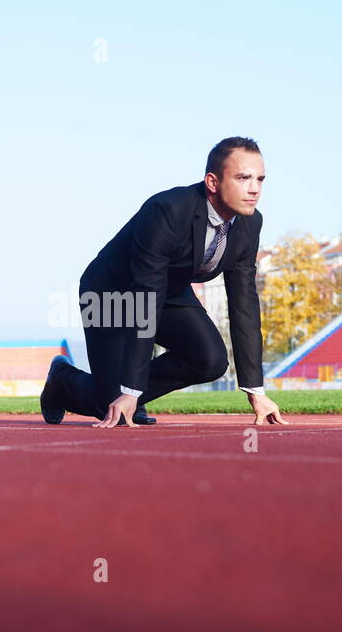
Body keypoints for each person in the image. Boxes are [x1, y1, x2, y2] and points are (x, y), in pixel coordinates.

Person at [40, 136, 288, 429]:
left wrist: (255, 390)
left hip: (168, 291)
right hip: (111, 294)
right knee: (110, 408)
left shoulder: (250, 223)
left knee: (210, 359)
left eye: (260, 179)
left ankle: (126, 394)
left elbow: (244, 303)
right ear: (212, 182)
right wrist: (130, 390)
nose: (255, 188)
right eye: (243, 177)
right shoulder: (167, 210)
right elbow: (146, 296)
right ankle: (62, 381)